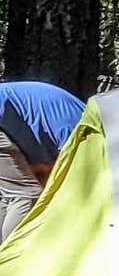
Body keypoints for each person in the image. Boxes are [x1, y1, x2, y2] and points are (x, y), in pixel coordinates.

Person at [0, 80, 85, 243]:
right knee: (25, 195)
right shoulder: (81, 131)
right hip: (4, 120)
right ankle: (12, 260)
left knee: (10, 196)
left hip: (8, 121)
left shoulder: (79, 118)